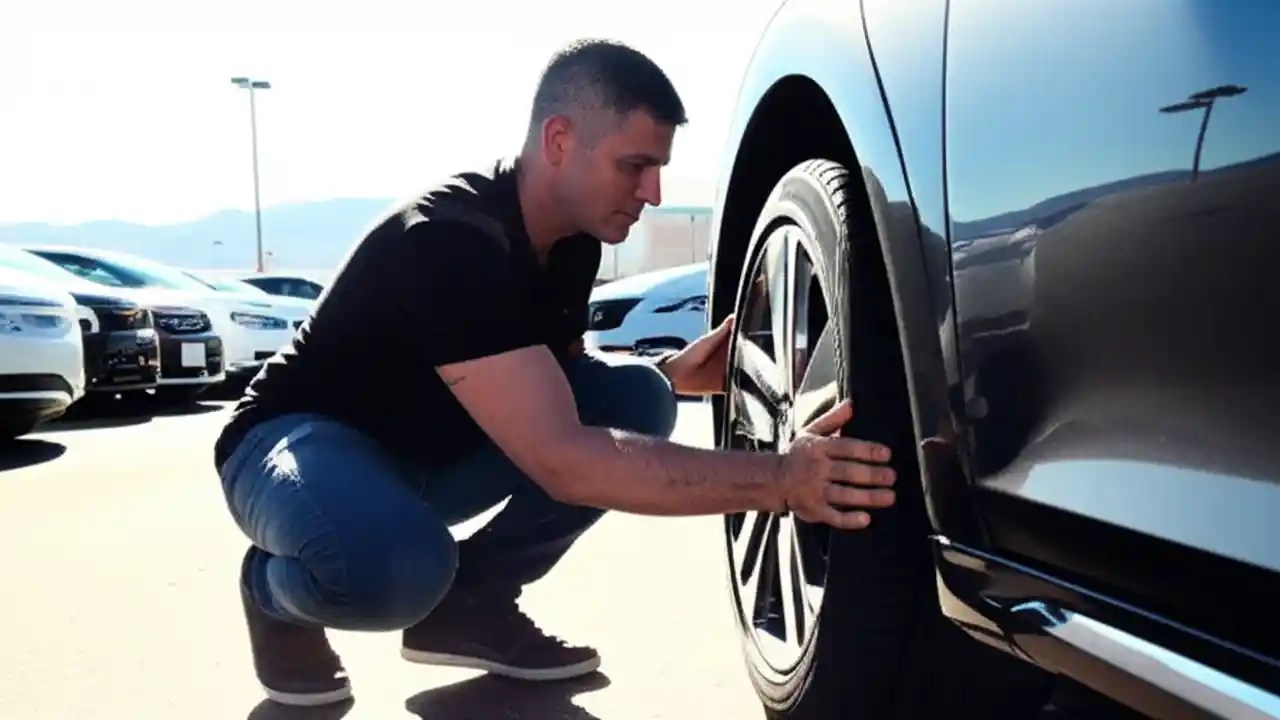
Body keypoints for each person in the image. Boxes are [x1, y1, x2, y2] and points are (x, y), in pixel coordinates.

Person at [213, 38, 898, 708]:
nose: (653, 192)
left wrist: (667, 374)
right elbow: (564, 461)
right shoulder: (447, 243)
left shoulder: (571, 245)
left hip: (427, 458)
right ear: (560, 140)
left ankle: (471, 604)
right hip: (298, 446)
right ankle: (273, 594)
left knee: (637, 397)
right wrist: (782, 479)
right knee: (394, 571)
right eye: (635, 166)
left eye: (657, 168)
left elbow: (559, 382)